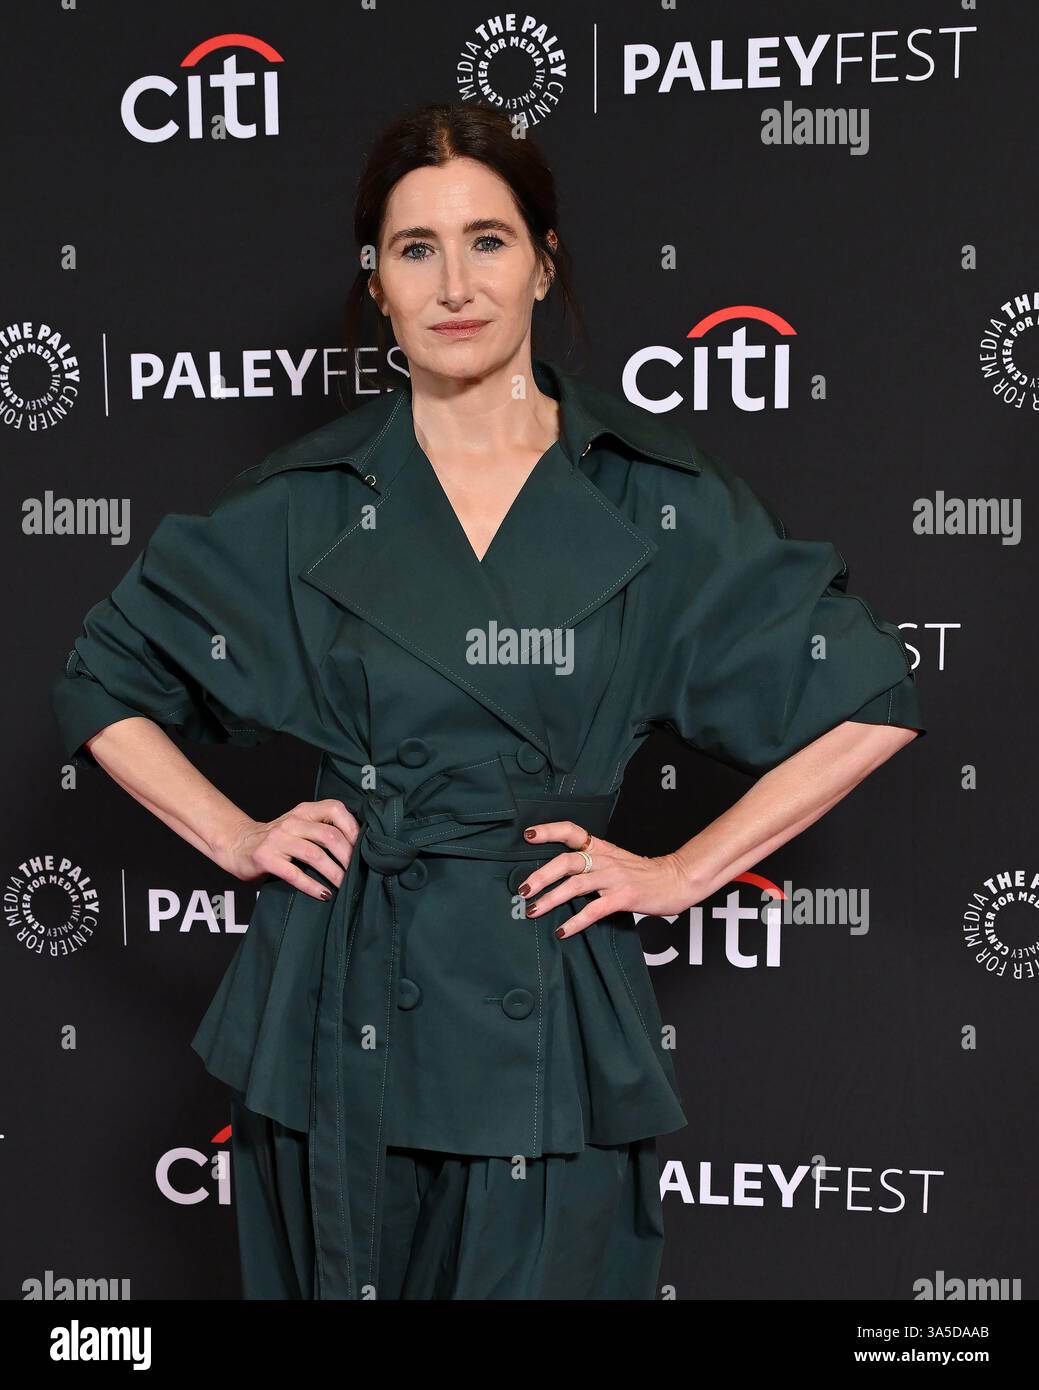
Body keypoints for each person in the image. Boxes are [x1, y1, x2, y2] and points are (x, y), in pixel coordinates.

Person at [51, 102, 925, 1301]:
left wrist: (678, 871)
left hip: (543, 1008)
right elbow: (103, 674)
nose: (454, 283)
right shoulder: (304, 499)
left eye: (488, 240)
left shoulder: (650, 496)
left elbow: (868, 694)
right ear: (377, 282)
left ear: (543, 259)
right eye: (415, 248)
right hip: (334, 997)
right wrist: (238, 834)